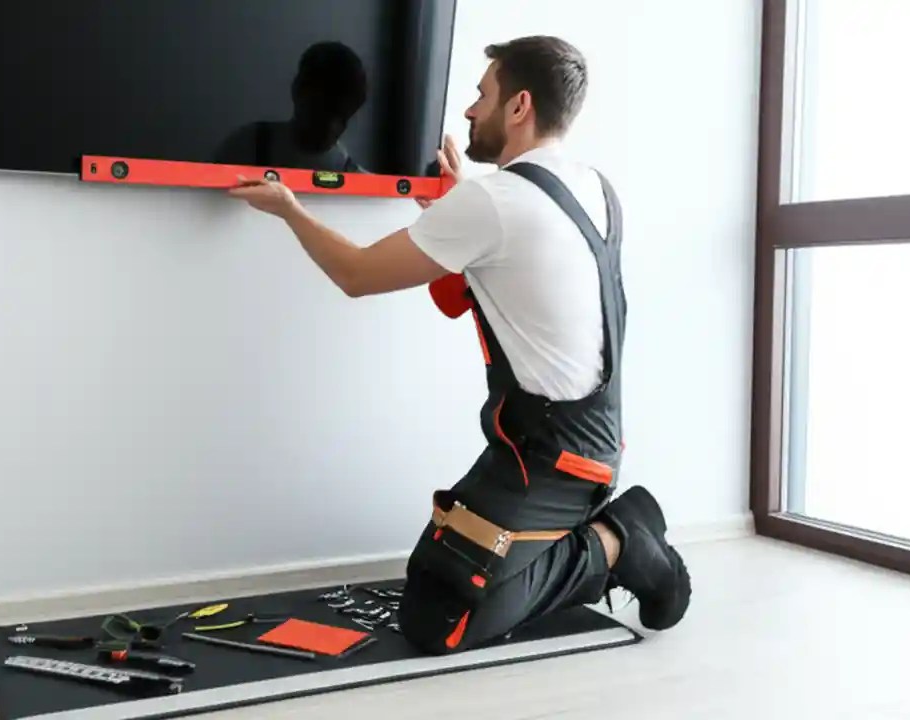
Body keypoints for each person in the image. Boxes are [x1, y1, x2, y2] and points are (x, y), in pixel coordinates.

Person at [228, 35, 691, 654]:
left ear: (519, 106)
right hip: (564, 442)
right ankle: (570, 536)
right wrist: (446, 207)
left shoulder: (493, 200)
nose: (470, 111)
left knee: (440, 623)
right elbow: (469, 292)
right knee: (429, 578)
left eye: (482, 94)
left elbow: (358, 276)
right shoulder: (594, 188)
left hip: (552, 459)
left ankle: (618, 540)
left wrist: (289, 209)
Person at [212, 41, 368, 173]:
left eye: (341, 116)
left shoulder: (363, 187)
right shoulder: (245, 146)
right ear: (298, 90)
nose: (331, 127)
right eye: (321, 110)